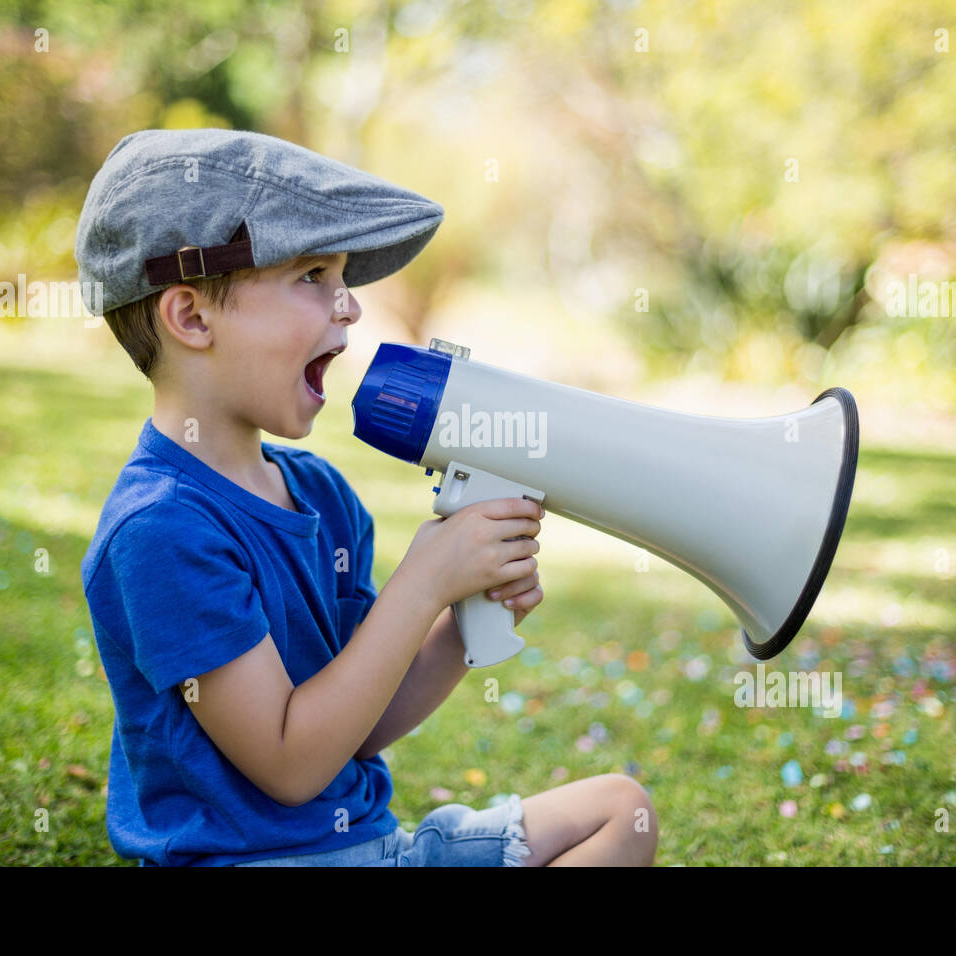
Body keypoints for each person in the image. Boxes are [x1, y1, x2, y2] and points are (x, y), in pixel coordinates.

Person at [74, 128, 658, 866]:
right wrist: (420, 587)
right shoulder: (160, 529)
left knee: (621, 813)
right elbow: (290, 764)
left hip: (376, 848)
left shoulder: (322, 494)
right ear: (192, 317)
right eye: (313, 276)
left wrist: (458, 620)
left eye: (343, 279)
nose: (349, 308)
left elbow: (357, 722)